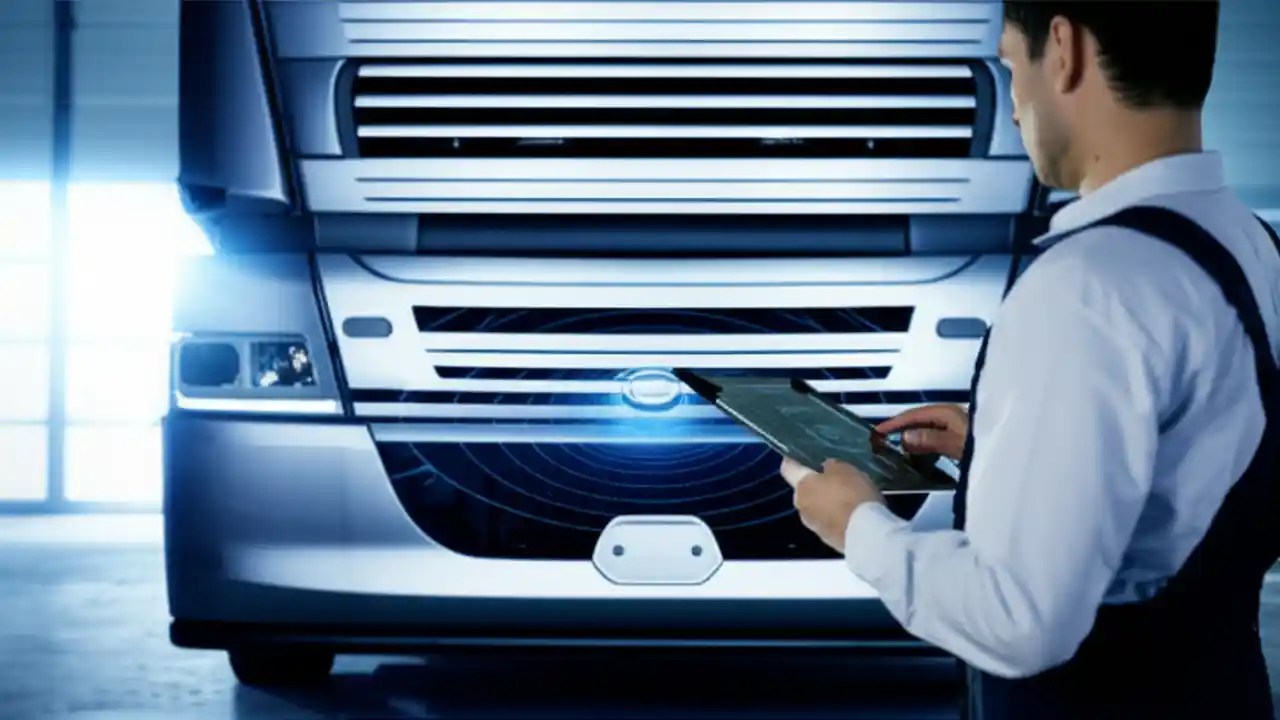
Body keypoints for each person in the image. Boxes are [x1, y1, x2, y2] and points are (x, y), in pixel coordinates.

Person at [777, 2, 1280, 718]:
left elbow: (1019, 623)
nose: (1014, 104)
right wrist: (1014, 440)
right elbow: (1199, 458)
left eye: (1012, 64)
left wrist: (858, 525)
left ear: (1065, 49)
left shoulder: (1084, 287)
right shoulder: (1251, 246)